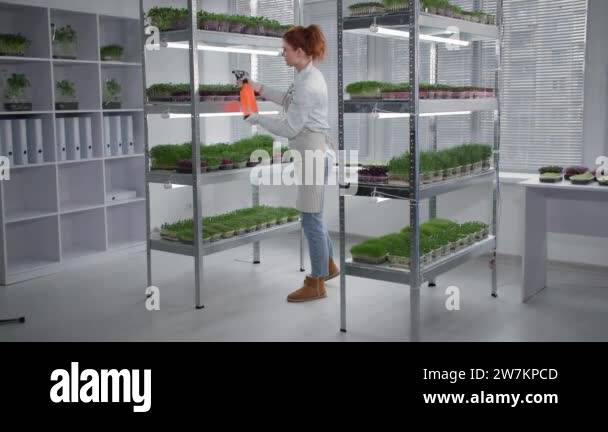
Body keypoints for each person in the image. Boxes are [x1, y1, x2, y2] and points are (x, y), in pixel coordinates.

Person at [239, 24, 339, 303]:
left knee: (310, 218)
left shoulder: (308, 83)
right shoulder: (306, 76)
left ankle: (317, 282)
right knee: (314, 215)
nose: (282, 53)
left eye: (285, 49)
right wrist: (256, 87)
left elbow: (290, 128)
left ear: (300, 51)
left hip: (312, 155)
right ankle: (328, 266)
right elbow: (287, 101)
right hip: (313, 152)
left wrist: (255, 118)